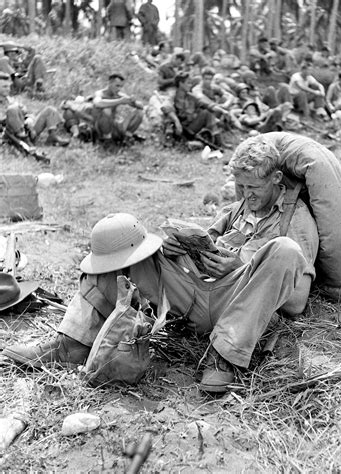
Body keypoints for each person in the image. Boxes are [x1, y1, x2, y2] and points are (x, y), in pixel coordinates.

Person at [3, 136, 320, 393]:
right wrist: (177, 248)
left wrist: (237, 267)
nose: (246, 195)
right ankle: (71, 343)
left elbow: (296, 299)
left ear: (277, 179)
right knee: (125, 242)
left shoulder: (296, 218)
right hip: (192, 296)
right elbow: (207, 243)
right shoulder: (239, 207)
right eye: (241, 187)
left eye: (253, 188)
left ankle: (224, 356)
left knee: (286, 250)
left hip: (238, 305)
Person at [0, 71, 69, 146]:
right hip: (11, 134)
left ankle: (52, 136)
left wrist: (29, 119)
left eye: (8, 87)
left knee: (50, 110)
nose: (8, 89)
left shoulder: (11, 99)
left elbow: (26, 112)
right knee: (12, 110)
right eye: (4, 87)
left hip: (26, 128)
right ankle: (25, 140)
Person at [92, 73, 144, 145]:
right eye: (117, 86)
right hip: (100, 127)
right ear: (110, 83)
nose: (119, 89)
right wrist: (119, 101)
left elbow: (141, 106)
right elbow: (98, 103)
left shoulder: (119, 95)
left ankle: (127, 137)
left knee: (139, 112)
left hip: (113, 126)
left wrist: (134, 101)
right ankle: (106, 139)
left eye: (121, 86)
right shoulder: (100, 93)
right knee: (107, 110)